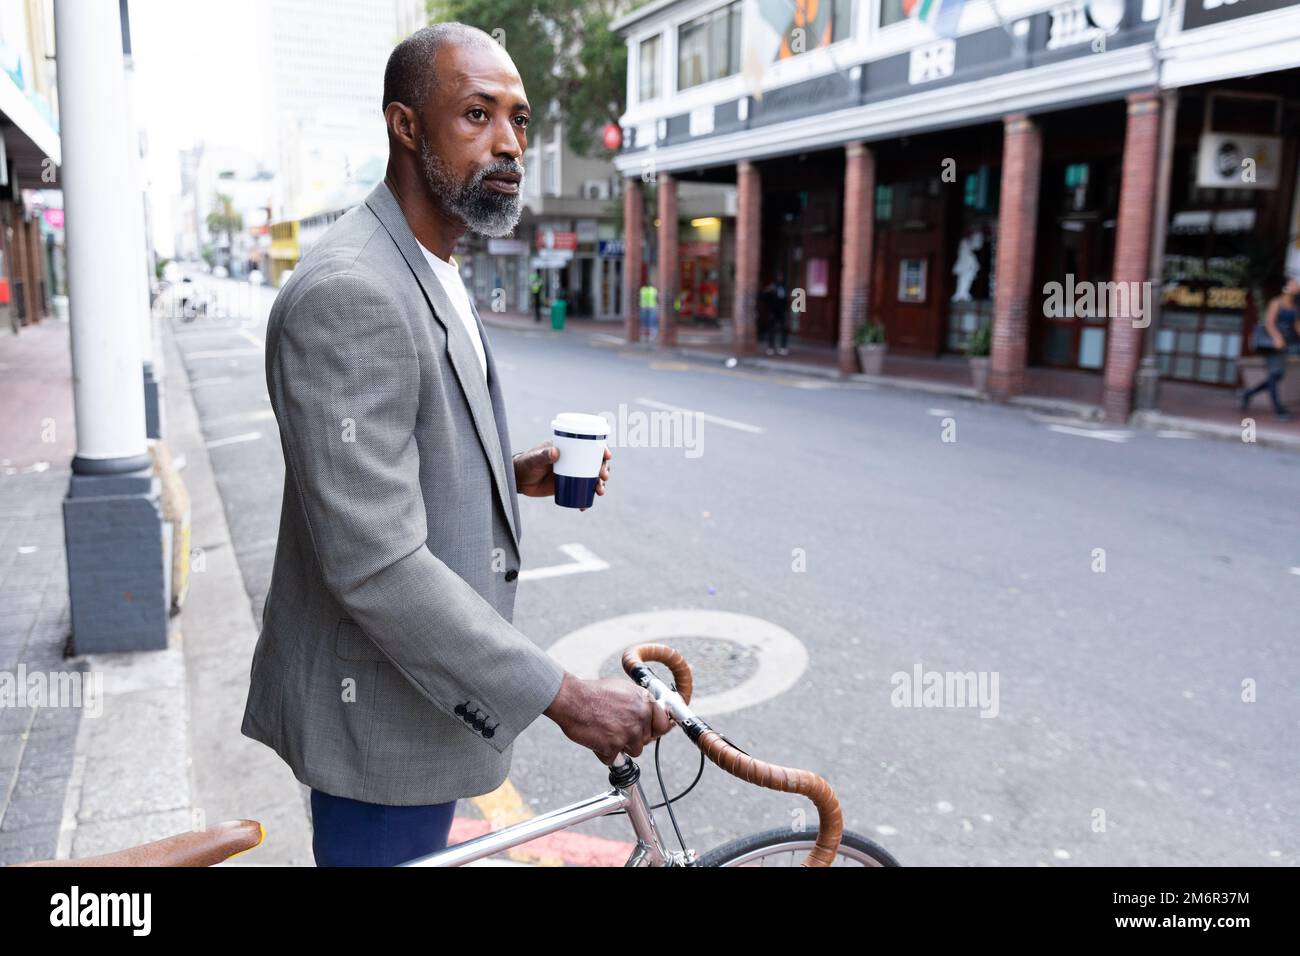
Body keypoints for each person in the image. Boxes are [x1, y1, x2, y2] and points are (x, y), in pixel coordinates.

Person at [241, 23, 670, 868]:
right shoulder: (353, 292)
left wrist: (511, 476)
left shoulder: (432, 264)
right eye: (477, 114)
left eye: (519, 118)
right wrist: (568, 699)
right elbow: (373, 560)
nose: (509, 141)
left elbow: (387, 466)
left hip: (424, 704)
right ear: (405, 126)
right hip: (380, 730)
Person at [1240, 275, 1299, 422]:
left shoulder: (1295, 306)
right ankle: (1278, 409)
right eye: (1293, 283)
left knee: (1277, 376)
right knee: (1274, 374)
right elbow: (1269, 323)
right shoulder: (1276, 302)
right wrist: (1277, 338)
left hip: (1287, 343)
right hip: (1274, 344)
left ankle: (1248, 393)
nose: (1297, 285)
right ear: (1285, 287)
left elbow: (1297, 327)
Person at [763, 273, 789, 356]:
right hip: (773, 312)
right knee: (772, 330)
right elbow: (765, 298)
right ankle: (771, 347)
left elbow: (786, 300)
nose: (780, 278)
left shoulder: (784, 287)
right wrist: (768, 290)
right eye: (778, 276)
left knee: (784, 329)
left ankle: (783, 347)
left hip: (782, 311)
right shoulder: (772, 287)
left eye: (781, 276)